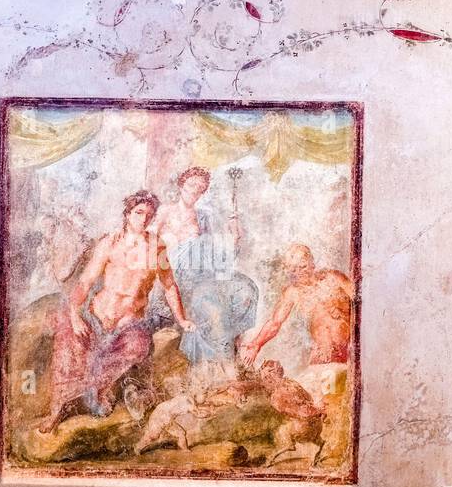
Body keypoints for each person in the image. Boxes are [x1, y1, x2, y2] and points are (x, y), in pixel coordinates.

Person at [40, 190, 194, 434]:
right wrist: (74, 314)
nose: (143, 219)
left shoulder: (158, 247)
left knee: (138, 346)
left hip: (129, 323)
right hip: (97, 316)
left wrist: (182, 318)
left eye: (149, 214)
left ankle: (94, 391)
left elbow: (169, 285)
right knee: (69, 341)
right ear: (128, 213)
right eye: (138, 212)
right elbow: (85, 282)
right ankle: (56, 409)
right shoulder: (110, 242)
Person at [150, 166, 258, 368]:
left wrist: (233, 238)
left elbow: (211, 253)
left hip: (201, 273)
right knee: (210, 308)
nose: (195, 191)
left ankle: (230, 357)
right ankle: (213, 365)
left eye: (200, 188)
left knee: (245, 289)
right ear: (181, 185)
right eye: (192, 185)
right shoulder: (166, 210)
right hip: (173, 272)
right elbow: (149, 241)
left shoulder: (202, 218)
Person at [239, 243, 354, 368]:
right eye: (293, 270)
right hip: (322, 358)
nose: (299, 272)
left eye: (303, 267)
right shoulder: (293, 292)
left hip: (350, 354)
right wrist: (256, 344)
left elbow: (359, 302)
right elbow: (275, 323)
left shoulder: (333, 278)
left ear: (312, 264)